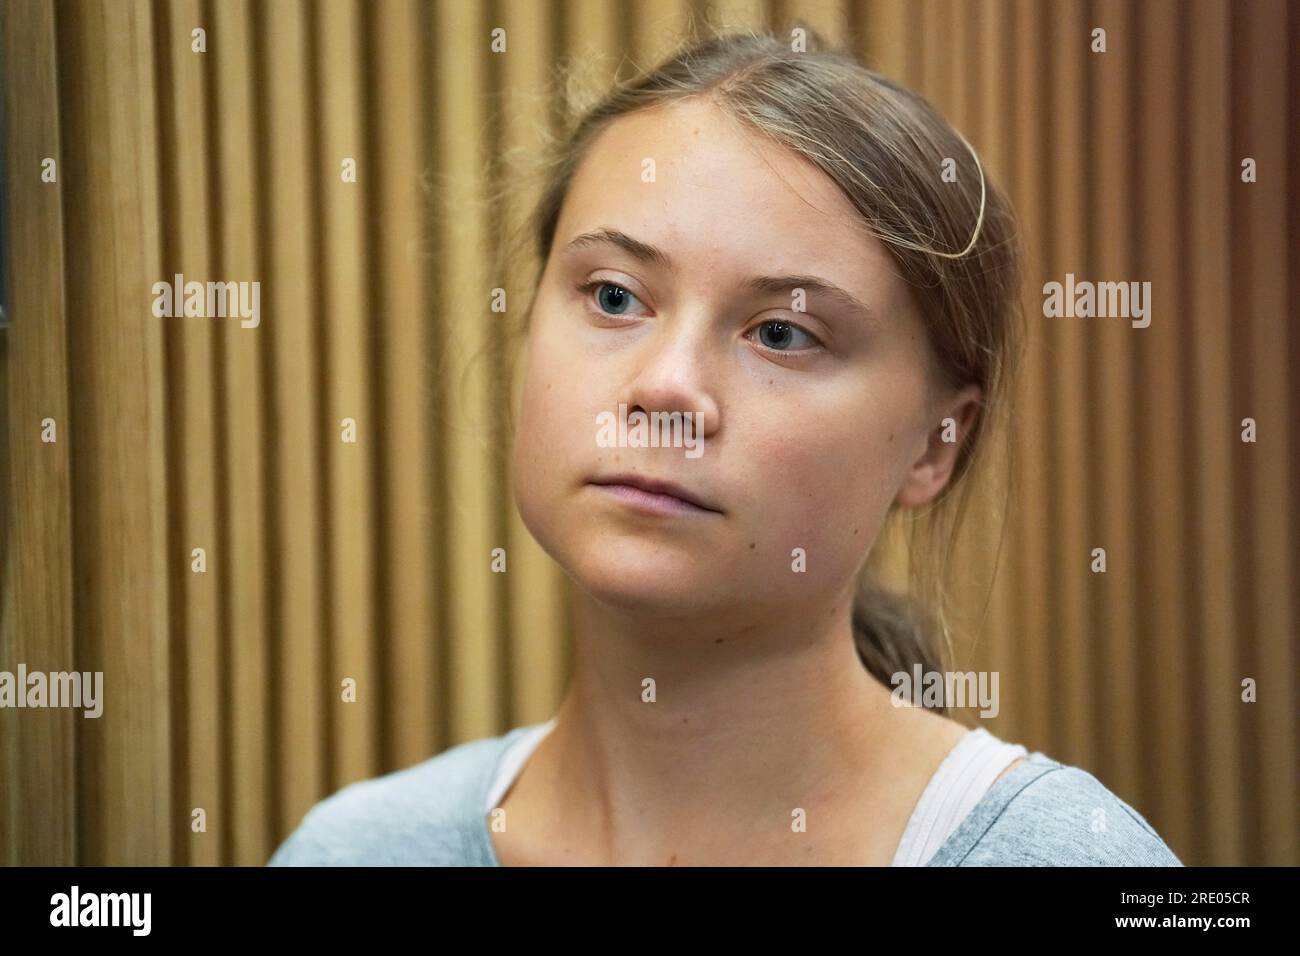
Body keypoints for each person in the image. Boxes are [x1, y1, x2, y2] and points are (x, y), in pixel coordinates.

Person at [269, 25, 1181, 867]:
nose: (665, 389)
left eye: (782, 333)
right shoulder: (356, 850)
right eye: (615, 296)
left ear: (935, 446)